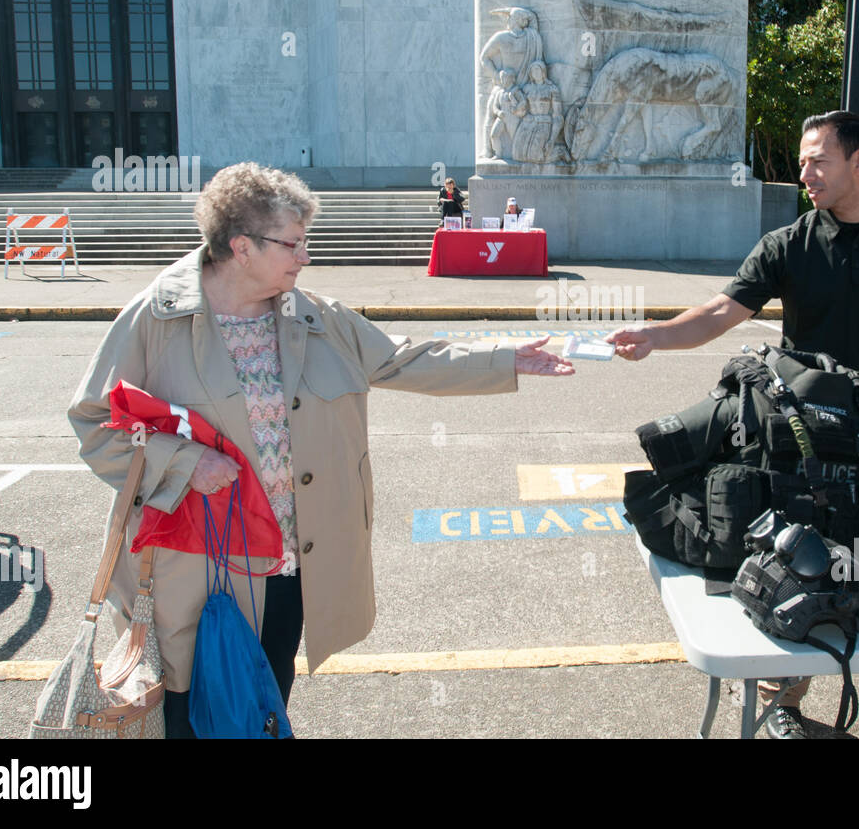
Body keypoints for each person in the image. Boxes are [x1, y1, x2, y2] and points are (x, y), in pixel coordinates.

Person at [68, 162, 574, 739]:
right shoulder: (156, 319)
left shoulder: (314, 317)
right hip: (199, 572)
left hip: (286, 567)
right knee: (192, 715)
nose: (304, 257)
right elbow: (94, 422)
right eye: (293, 243)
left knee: (264, 705)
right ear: (242, 246)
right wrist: (185, 464)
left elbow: (404, 359)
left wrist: (507, 358)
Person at [607, 111, 859, 739]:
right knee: (798, 558)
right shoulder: (788, 244)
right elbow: (720, 311)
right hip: (801, 430)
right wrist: (655, 335)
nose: (805, 173)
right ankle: (781, 699)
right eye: (801, 161)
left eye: (817, 160)